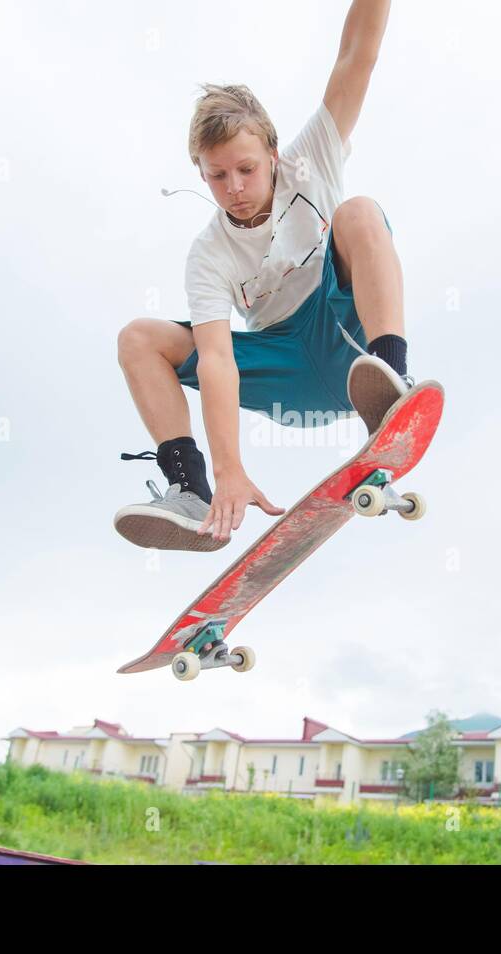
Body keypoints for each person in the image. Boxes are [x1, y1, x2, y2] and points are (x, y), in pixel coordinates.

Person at [115, 0, 412, 552]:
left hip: (347, 345)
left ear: (273, 154)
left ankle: (393, 383)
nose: (234, 187)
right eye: (217, 175)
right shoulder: (209, 254)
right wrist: (231, 467)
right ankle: (190, 491)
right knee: (138, 338)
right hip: (281, 368)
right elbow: (218, 361)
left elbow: (357, 56)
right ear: (199, 173)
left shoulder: (313, 158)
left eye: (246, 169)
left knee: (359, 211)